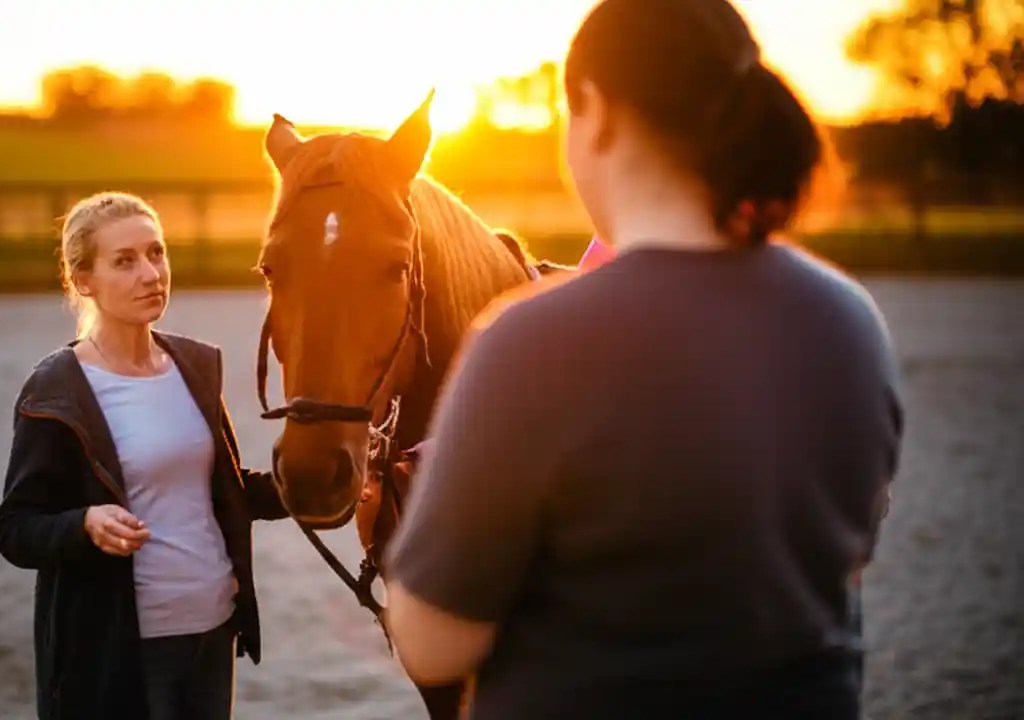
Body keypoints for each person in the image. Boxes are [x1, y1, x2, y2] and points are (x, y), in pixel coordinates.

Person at [382, 1, 903, 718]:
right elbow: (845, 550)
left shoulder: (531, 343)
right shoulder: (848, 320)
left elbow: (432, 643)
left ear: (594, 111)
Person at [0, 191, 288, 720]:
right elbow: (16, 528)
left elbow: (223, 489)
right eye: (125, 261)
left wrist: (318, 485)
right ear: (84, 280)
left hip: (212, 630)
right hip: (118, 651)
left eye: (156, 253)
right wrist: (84, 523)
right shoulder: (56, 390)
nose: (150, 273)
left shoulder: (193, 366)